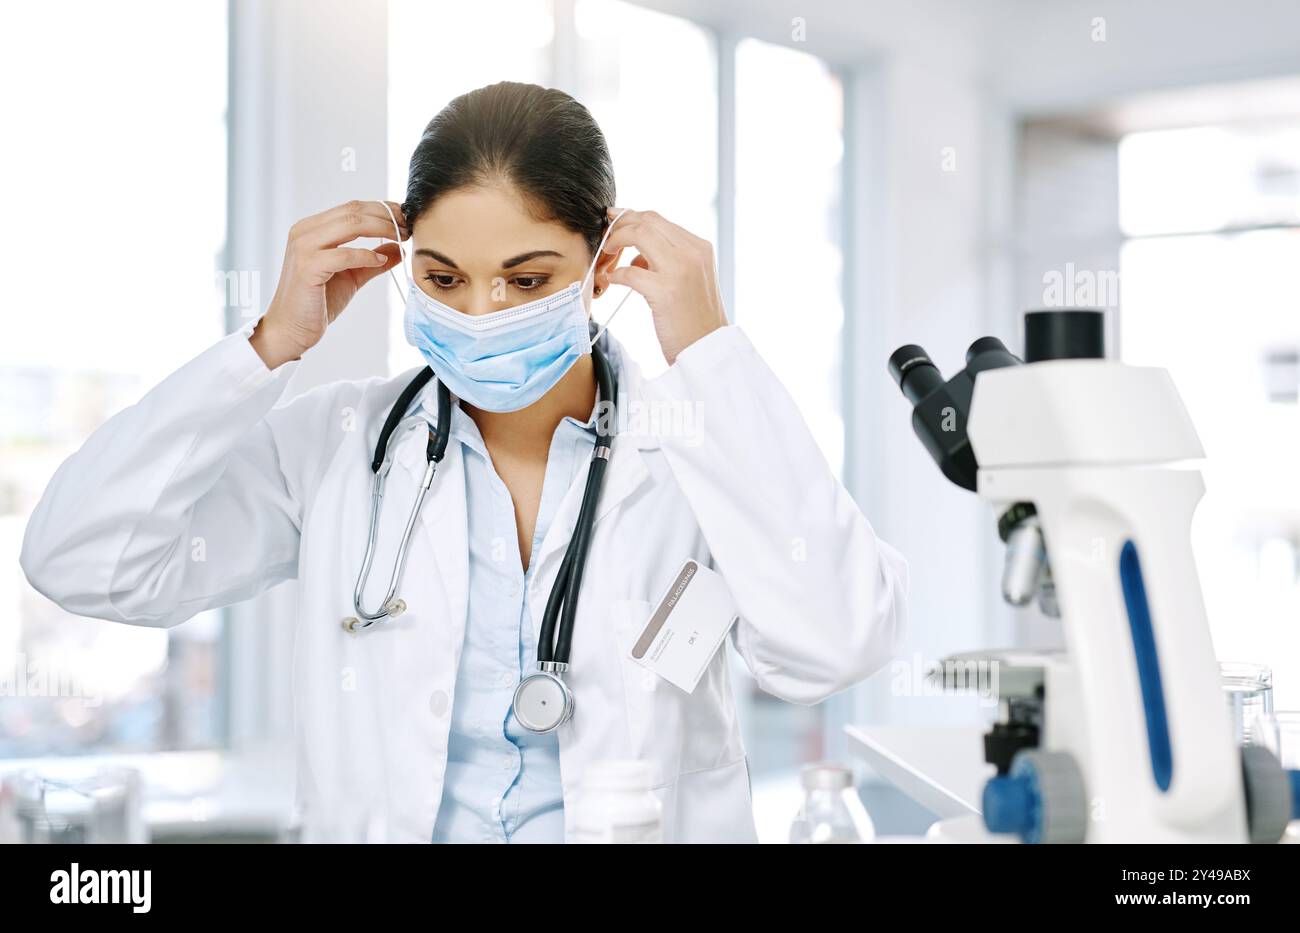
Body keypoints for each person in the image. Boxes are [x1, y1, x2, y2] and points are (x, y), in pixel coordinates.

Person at [20, 81, 908, 843]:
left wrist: (709, 351)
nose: (482, 313)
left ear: (604, 267)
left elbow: (832, 646)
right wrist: (266, 347)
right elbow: (83, 559)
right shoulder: (340, 447)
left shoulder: (697, 452)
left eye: (526, 281)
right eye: (444, 278)